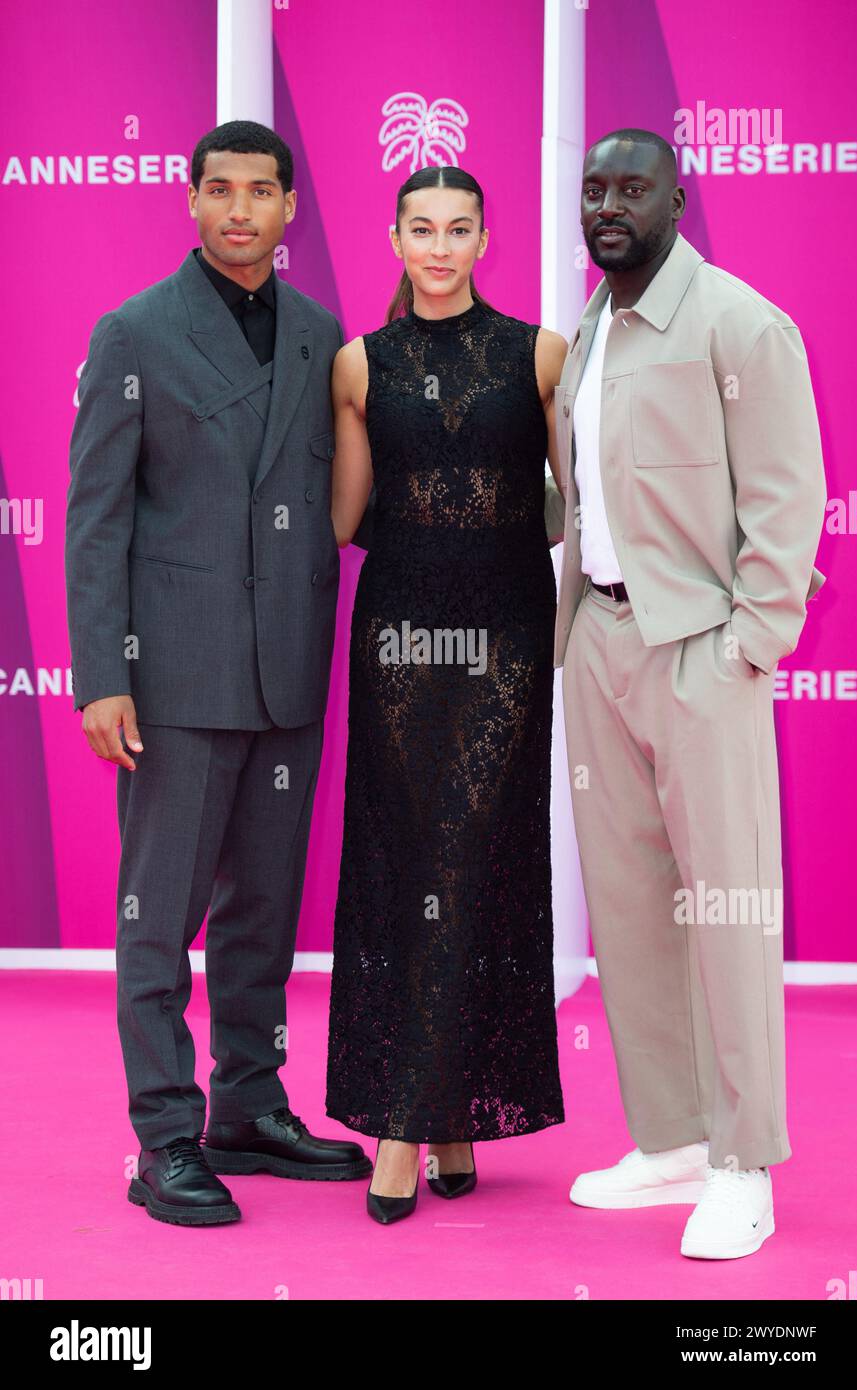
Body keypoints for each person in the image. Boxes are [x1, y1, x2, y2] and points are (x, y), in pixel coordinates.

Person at [65, 120, 373, 1227]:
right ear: (190, 201)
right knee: (159, 916)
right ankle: (164, 1136)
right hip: (172, 679)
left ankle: (247, 1105)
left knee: (265, 915)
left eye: (261, 191)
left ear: (290, 208)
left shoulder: (319, 336)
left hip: (286, 676)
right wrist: (103, 674)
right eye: (220, 190)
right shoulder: (134, 333)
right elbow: (94, 521)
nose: (240, 209)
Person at [547, 128, 826, 1258]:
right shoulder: (589, 337)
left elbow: (784, 496)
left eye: (632, 187)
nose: (607, 205)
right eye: (592, 188)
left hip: (699, 653)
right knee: (631, 908)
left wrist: (744, 648)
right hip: (599, 642)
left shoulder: (739, 324)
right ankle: (668, 1139)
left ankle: (741, 1163)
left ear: (676, 197)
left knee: (727, 914)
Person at [326, 166, 568, 1224]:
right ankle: (427, 1119)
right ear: (393, 238)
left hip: (505, 642)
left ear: (484, 237)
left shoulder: (541, 352)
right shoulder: (356, 364)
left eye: (457, 228)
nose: (437, 245)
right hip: (400, 640)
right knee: (408, 861)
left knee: (475, 856)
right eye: (419, 228)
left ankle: (418, 1120)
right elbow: (345, 518)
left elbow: (569, 510)